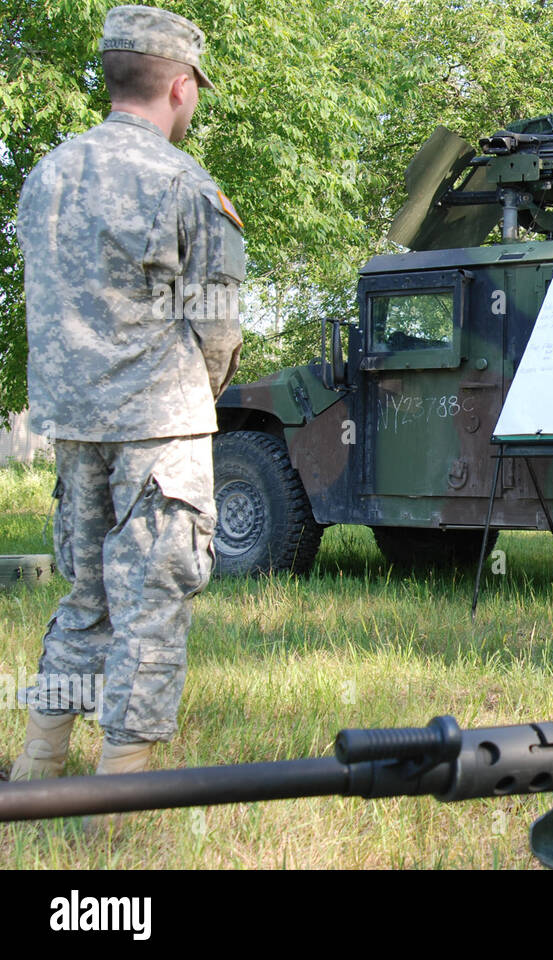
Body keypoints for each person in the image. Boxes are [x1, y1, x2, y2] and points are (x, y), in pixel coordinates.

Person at [9, 5, 243, 793]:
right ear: (180, 86)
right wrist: (195, 400)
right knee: (150, 605)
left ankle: (39, 765)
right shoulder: (183, 182)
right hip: (158, 431)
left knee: (82, 599)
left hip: (74, 429)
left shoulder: (49, 175)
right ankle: (118, 794)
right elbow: (217, 324)